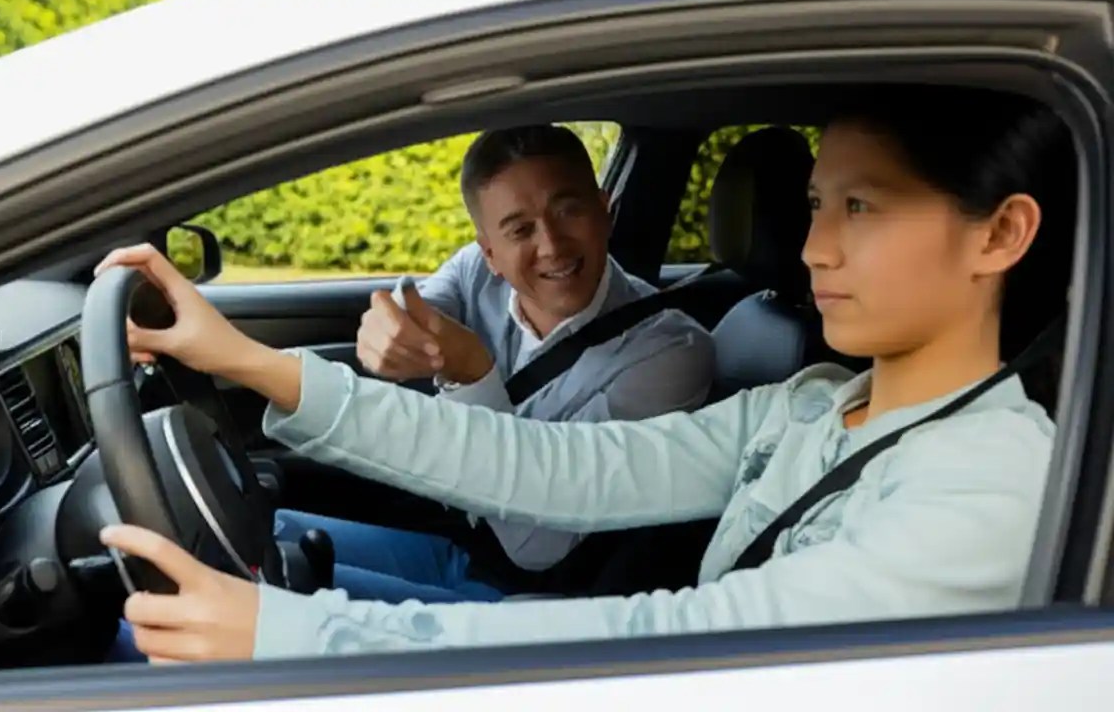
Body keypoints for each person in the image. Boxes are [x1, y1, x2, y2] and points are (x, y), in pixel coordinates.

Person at [97, 87, 1073, 664]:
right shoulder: (810, 403)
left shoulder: (995, 483)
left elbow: (690, 639)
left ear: (999, 233)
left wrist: (293, 639)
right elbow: (549, 467)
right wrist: (245, 361)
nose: (811, 247)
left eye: (858, 206)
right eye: (814, 203)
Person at [272, 124, 714, 604]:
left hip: (543, 601)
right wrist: (393, 328)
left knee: (283, 594)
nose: (551, 244)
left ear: (605, 211)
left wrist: (471, 376)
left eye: (569, 210)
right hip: (461, 545)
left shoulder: (670, 350)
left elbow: (538, 545)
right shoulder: (474, 273)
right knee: (264, 533)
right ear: (490, 253)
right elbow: (419, 312)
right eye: (520, 230)